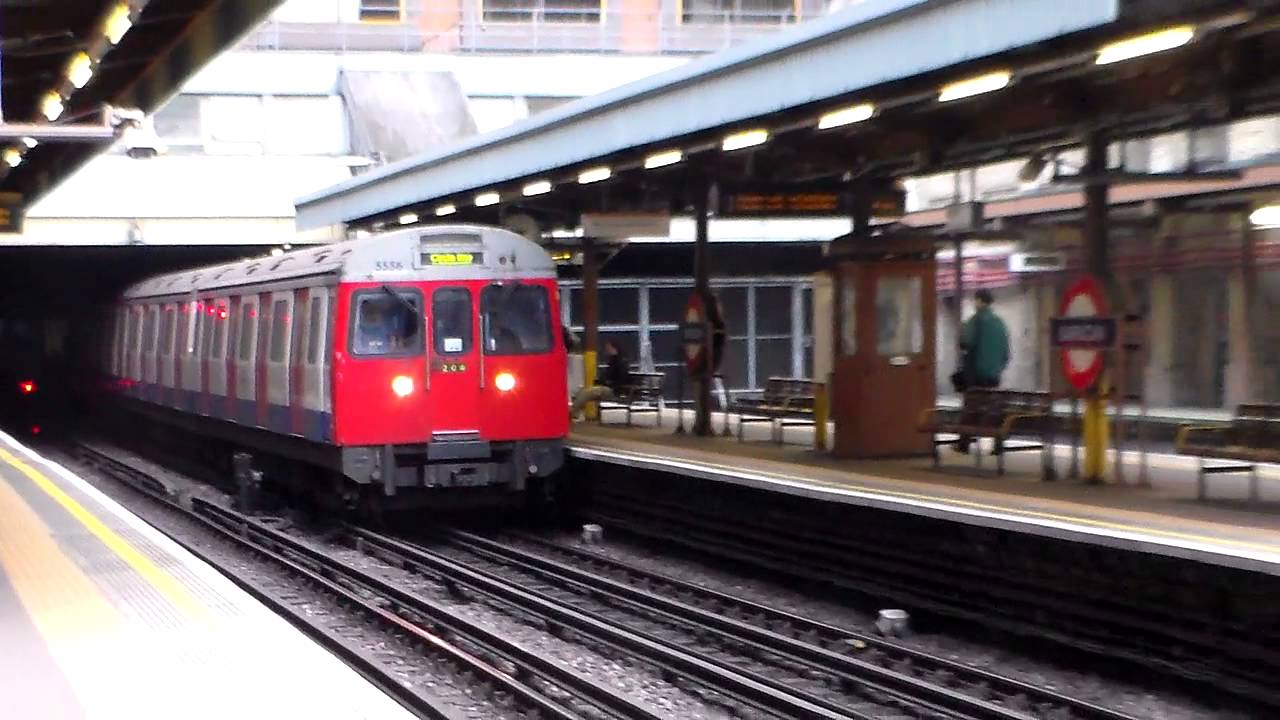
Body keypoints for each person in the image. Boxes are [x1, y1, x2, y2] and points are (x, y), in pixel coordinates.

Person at [955, 289, 1010, 453]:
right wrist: (997, 367)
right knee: (994, 408)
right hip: (994, 375)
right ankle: (998, 444)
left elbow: (964, 342)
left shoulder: (975, 320)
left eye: (976, 300)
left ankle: (963, 443)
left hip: (976, 374)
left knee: (971, 407)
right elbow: (1006, 353)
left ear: (979, 301)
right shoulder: (1000, 323)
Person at [571, 340, 630, 420]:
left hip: (613, 389)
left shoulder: (621, 361)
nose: (606, 350)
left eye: (608, 348)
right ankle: (576, 413)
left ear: (613, 348)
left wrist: (606, 382)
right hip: (607, 387)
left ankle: (572, 413)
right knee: (581, 391)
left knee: (585, 393)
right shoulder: (613, 360)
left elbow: (621, 379)